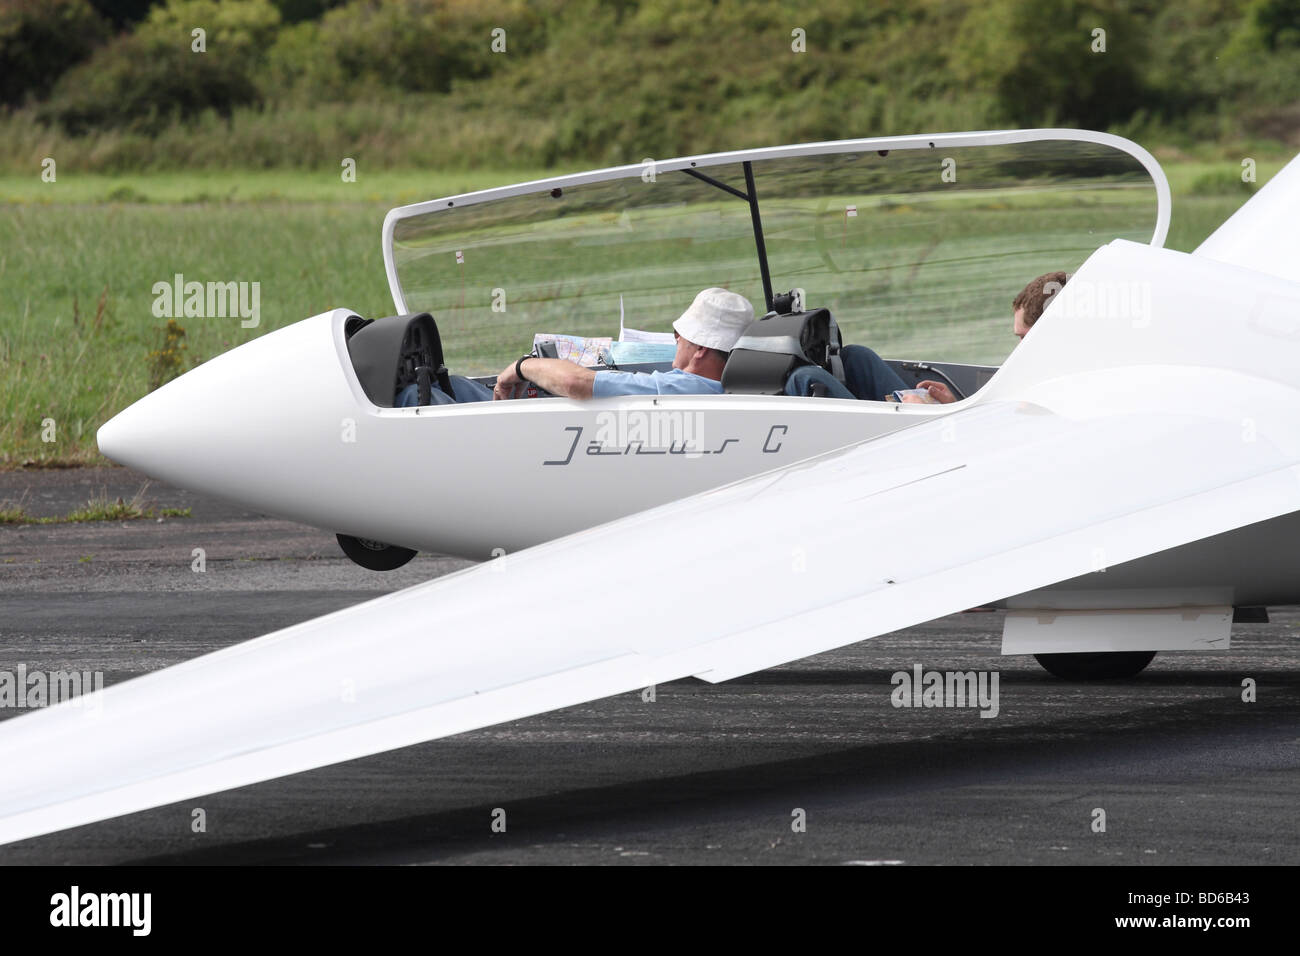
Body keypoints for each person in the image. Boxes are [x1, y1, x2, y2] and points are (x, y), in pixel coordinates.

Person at [395, 287, 754, 406]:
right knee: (456, 386)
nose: (675, 339)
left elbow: (577, 385)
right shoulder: (725, 386)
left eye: (682, 336)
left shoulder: (683, 387)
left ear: (703, 350)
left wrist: (520, 367)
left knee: (418, 399)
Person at [783, 271, 1069, 404]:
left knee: (806, 379)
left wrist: (917, 414)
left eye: (1025, 339)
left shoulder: (1060, 388)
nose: (1018, 350)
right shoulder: (1043, 372)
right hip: (959, 426)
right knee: (856, 358)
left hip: (938, 452)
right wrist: (955, 402)